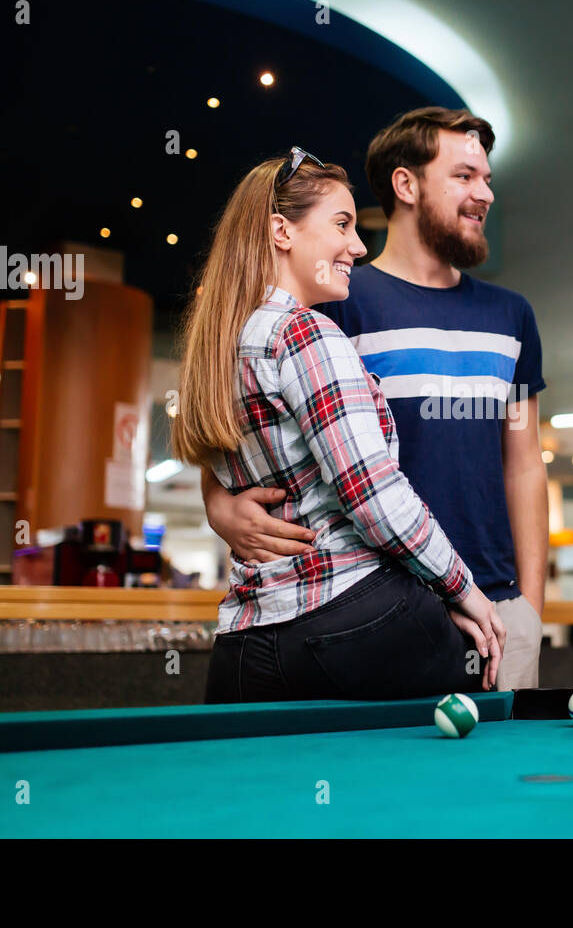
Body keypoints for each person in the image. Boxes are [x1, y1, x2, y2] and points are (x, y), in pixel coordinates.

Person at [202, 109, 548, 690]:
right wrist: (218, 504)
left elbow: (525, 466)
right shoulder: (332, 299)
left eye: (487, 178)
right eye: (464, 176)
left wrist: (530, 608)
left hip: (497, 608)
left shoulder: (511, 316)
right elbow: (243, 418)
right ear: (406, 185)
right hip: (384, 602)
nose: (484, 193)